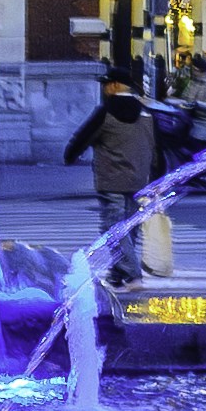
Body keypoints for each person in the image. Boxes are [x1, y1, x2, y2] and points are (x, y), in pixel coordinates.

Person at [63, 80, 159, 286]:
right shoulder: (145, 112)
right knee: (130, 228)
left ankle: (133, 273)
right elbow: (154, 145)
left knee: (113, 227)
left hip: (112, 179)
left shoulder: (106, 112)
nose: (104, 88)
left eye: (106, 84)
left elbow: (84, 137)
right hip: (140, 179)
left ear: (114, 86)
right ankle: (118, 274)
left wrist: (70, 155)